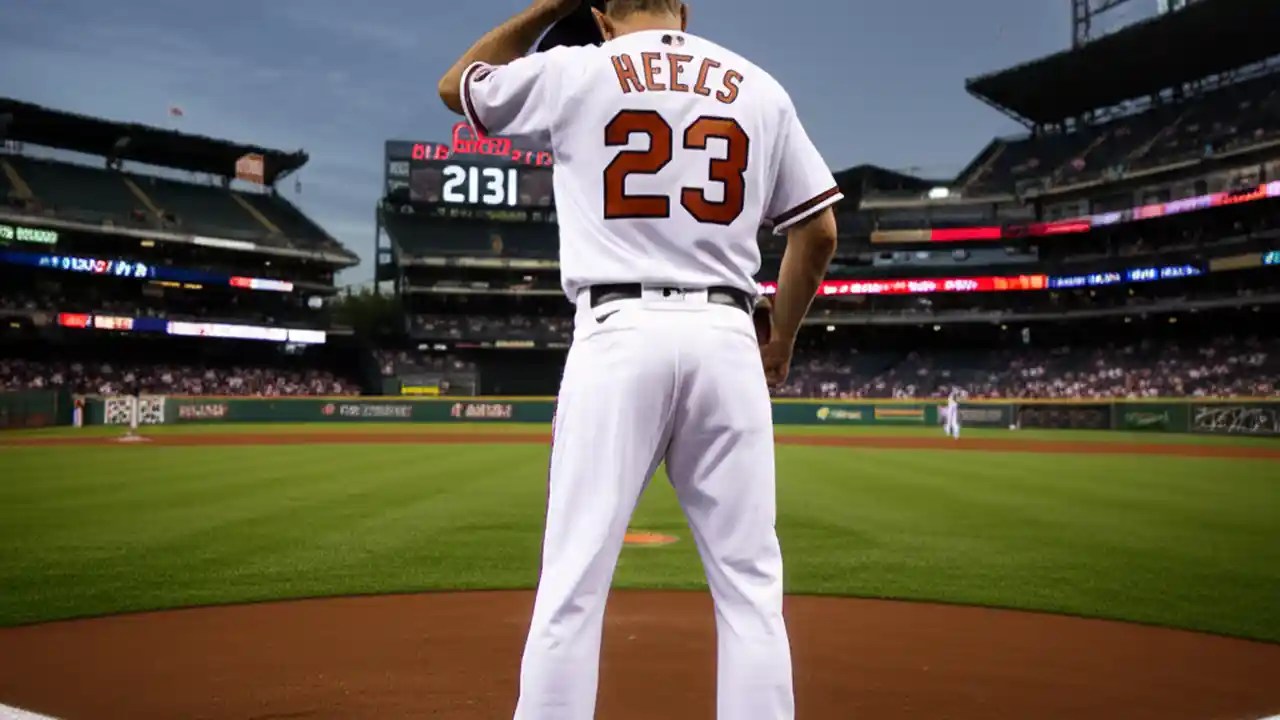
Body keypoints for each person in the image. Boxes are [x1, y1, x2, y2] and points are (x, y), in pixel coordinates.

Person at [439, 1, 839, 718]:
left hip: (617, 332)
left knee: (572, 589)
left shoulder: (577, 67)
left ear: (597, 12)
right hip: (726, 339)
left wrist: (549, 9)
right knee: (751, 592)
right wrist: (779, 341)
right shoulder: (758, 85)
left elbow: (459, 85)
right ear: (683, 8)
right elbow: (820, 231)